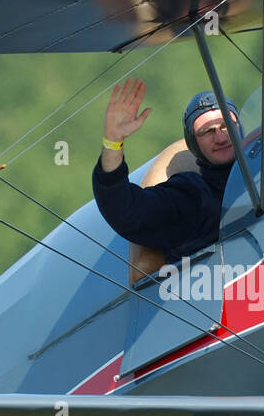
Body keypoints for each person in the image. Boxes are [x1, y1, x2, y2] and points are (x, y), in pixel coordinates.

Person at [92, 78, 241, 280]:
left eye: (226, 126)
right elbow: (125, 209)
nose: (221, 138)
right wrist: (113, 142)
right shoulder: (192, 197)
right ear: (194, 145)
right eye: (207, 132)